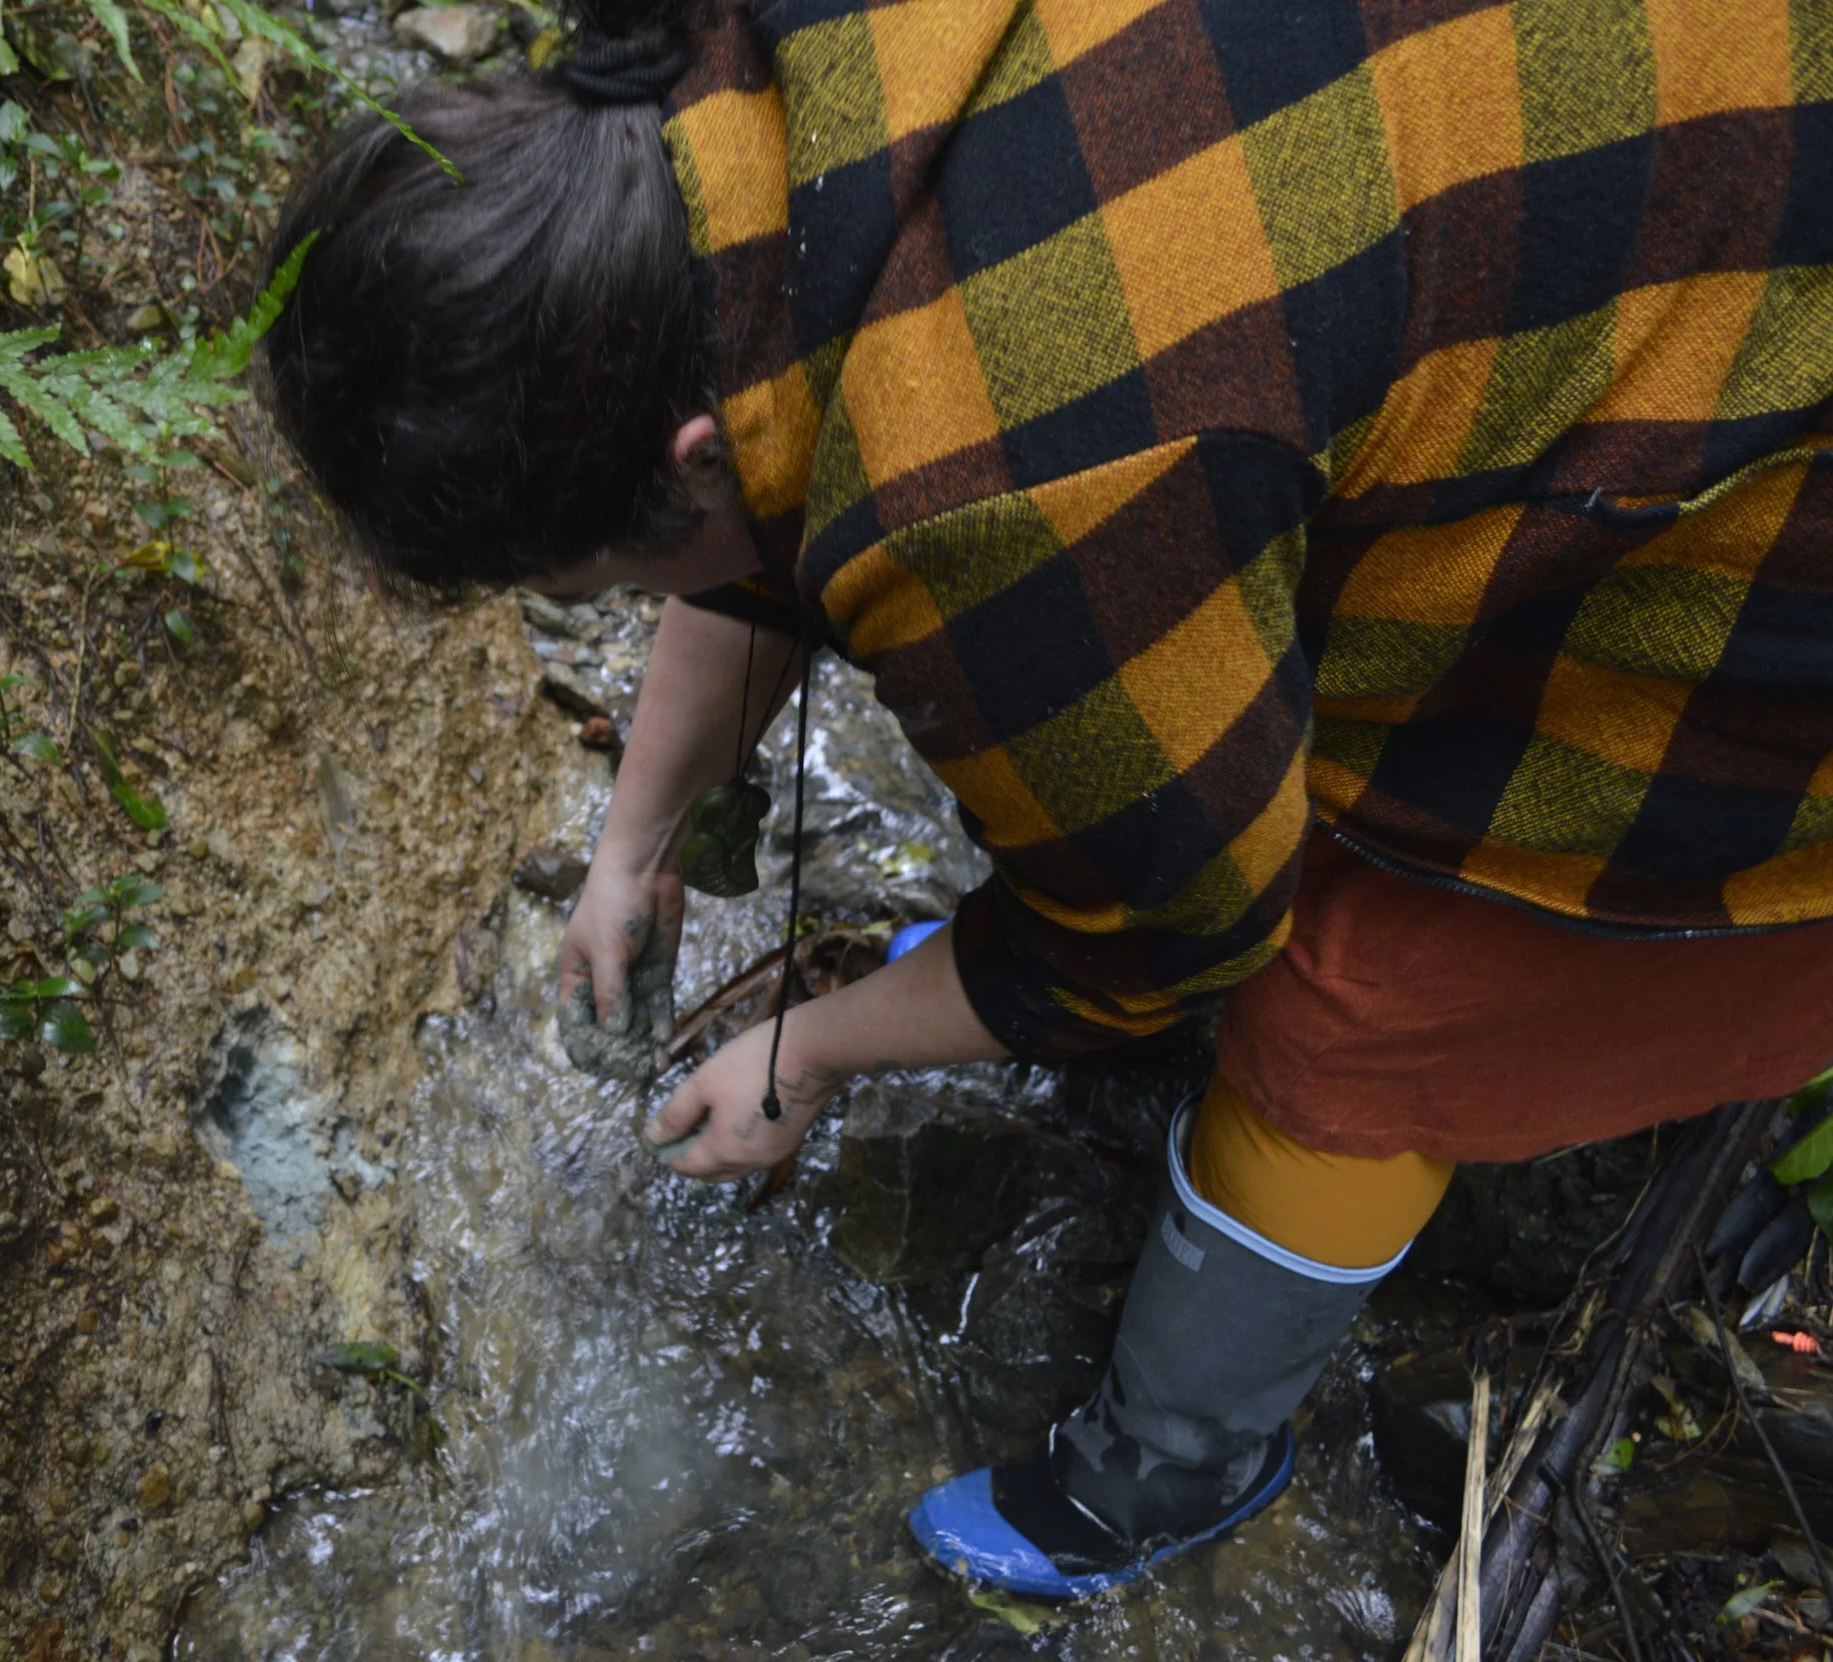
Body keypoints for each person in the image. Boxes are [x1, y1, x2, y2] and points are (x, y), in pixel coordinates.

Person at [261, 0, 1833, 1599]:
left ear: (682, 457)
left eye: (598, 569)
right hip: (1636, 110)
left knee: (1360, 1003)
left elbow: (1161, 936)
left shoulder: (1016, 496)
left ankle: (1173, 1464)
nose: (626, 592)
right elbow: (765, 475)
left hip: (1770, 449)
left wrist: (811, 1053)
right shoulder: (708, 91)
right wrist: (637, 839)